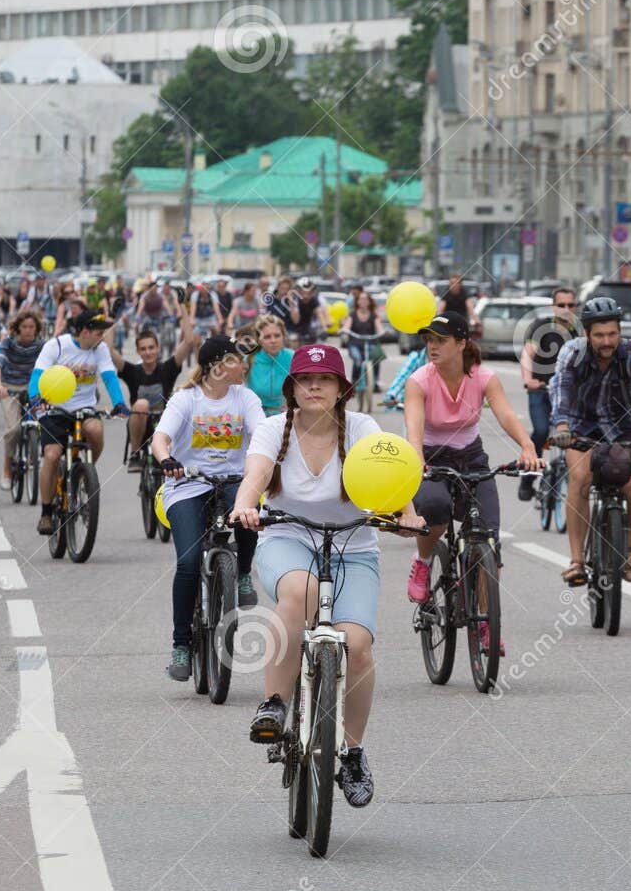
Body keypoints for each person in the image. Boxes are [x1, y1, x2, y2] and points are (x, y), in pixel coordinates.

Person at [230, 343, 426, 808]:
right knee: (299, 591)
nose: (313, 386)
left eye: (324, 379)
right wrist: (244, 505)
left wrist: (407, 515)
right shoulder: (272, 430)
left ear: (342, 389)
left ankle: (352, 752)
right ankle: (274, 703)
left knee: (356, 647)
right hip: (287, 540)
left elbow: (392, 478)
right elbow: (255, 476)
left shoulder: (363, 429)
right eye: (303, 379)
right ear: (291, 388)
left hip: (353, 548)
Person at [403, 312, 541, 651]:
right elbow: (414, 426)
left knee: (487, 541)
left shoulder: (483, 377)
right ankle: (422, 563)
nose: (431, 347)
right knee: (434, 509)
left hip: (470, 457)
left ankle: (485, 626)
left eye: (440, 340)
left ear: (462, 343)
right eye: (428, 340)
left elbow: (506, 413)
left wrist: (527, 446)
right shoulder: (419, 380)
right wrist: (417, 457)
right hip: (431, 457)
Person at [152, 337, 265, 681]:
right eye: (236, 360)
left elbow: (262, 432)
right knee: (187, 561)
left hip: (232, 481)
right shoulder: (186, 400)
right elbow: (161, 437)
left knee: (248, 514)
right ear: (217, 366)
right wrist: (167, 459)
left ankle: (242, 573)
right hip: (187, 484)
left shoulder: (245, 397)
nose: (243, 366)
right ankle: (181, 644)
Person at [547, 297, 631, 586]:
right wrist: (562, 426)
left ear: (620, 331)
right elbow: (562, 390)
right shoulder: (573, 352)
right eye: (599, 335)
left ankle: (628, 546)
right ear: (586, 334)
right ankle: (577, 561)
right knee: (580, 479)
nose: (607, 341)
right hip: (579, 428)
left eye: (612, 334)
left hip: (623, 428)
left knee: (628, 481)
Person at [27, 312, 130, 535]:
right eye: (98, 333)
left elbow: (110, 377)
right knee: (52, 455)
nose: (102, 337)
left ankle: (83, 470)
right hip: (53, 408)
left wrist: (119, 402)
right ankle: (46, 512)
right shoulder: (57, 346)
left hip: (83, 409)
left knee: (95, 429)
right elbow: (37, 374)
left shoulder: (99, 349)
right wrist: (35, 396)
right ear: (84, 332)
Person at [516, 286, 578, 501]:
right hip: (541, 390)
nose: (566, 309)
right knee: (541, 432)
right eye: (561, 305)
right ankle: (528, 479)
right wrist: (528, 380)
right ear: (553, 307)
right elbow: (528, 354)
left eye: (571, 305)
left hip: (570, 394)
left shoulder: (580, 332)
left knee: (580, 436)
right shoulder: (541, 327)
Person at [111, 327, 181, 469]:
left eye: (151, 348)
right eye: (143, 349)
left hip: (165, 425)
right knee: (141, 404)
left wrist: (183, 308)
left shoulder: (167, 368)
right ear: (138, 351)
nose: (147, 352)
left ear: (158, 348)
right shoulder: (132, 371)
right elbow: (110, 351)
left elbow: (189, 342)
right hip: (139, 426)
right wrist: (112, 321)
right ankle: (135, 454)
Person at [0, 308, 47, 487]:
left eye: (31, 326)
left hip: (33, 389)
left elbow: (49, 366)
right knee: (13, 430)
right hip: (9, 388)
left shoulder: (42, 345)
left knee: (46, 422)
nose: (28, 330)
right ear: (18, 328)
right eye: (24, 326)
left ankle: (35, 452)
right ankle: (7, 470)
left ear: (36, 328)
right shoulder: (9, 343)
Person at [343, 286, 386, 396]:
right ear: (357, 302)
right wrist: (345, 329)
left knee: (376, 357)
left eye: (365, 299)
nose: (363, 301)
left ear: (369, 302)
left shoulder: (374, 315)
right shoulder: (352, 315)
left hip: (370, 342)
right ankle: (353, 385)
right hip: (355, 343)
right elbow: (347, 325)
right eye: (361, 299)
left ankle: (374, 382)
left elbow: (379, 325)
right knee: (357, 360)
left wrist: (382, 331)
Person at [246, 315, 292, 414]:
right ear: (259, 340)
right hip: (255, 414)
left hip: (285, 415)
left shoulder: (293, 357)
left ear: (283, 336)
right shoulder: (248, 360)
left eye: (277, 335)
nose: (273, 340)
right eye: (267, 337)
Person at [286, 277, 328, 345]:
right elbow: (296, 321)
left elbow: (321, 311)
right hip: (293, 328)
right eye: (303, 292)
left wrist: (325, 326)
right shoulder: (294, 300)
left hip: (307, 330)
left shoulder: (315, 300)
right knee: (294, 342)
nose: (306, 296)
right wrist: (292, 304)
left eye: (309, 293)